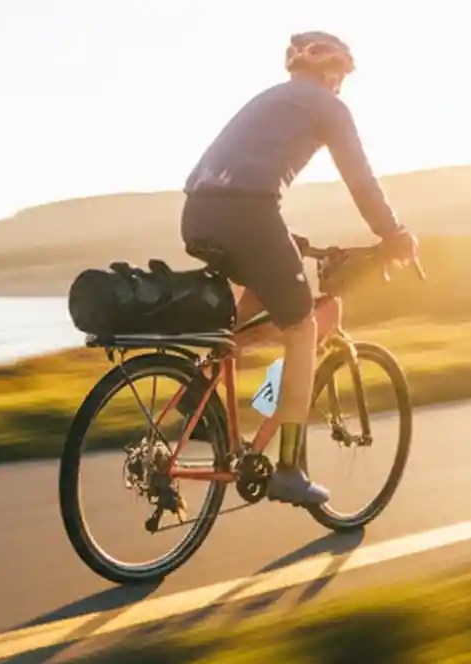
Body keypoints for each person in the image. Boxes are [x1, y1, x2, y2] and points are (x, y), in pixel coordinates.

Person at [179, 31, 419, 506]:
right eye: (340, 76)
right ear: (329, 73)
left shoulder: (271, 98)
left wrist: (288, 241)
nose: (340, 86)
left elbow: (242, 175)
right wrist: (394, 234)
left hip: (198, 213)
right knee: (304, 328)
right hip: (248, 213)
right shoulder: (328, 107)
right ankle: (289, 469)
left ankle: (199, 385)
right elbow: (360, 179)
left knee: (261, 294)